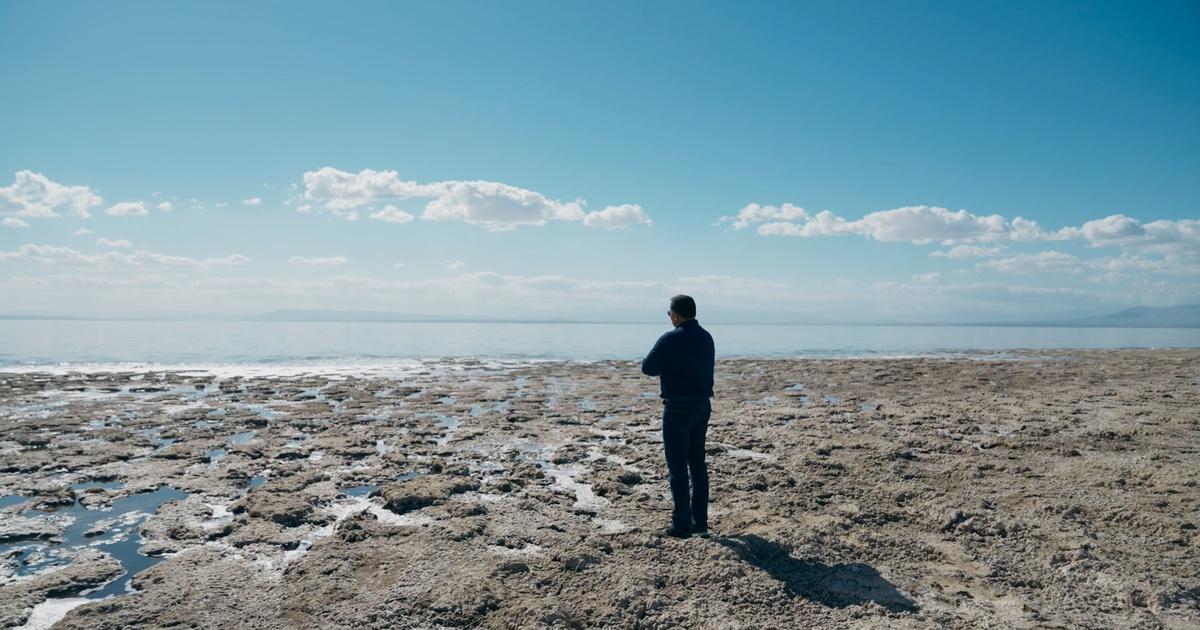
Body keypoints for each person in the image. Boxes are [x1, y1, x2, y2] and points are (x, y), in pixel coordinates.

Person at [640, 294, 715, 539]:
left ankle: (681, 525)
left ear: (675, 314)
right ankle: (700, 522)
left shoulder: (671, 339)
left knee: (678, 467)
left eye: (669, 313)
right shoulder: (706, 337)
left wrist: (669, 365)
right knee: (697, 464)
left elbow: (648, 367)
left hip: (678, 407)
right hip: (702, 405)